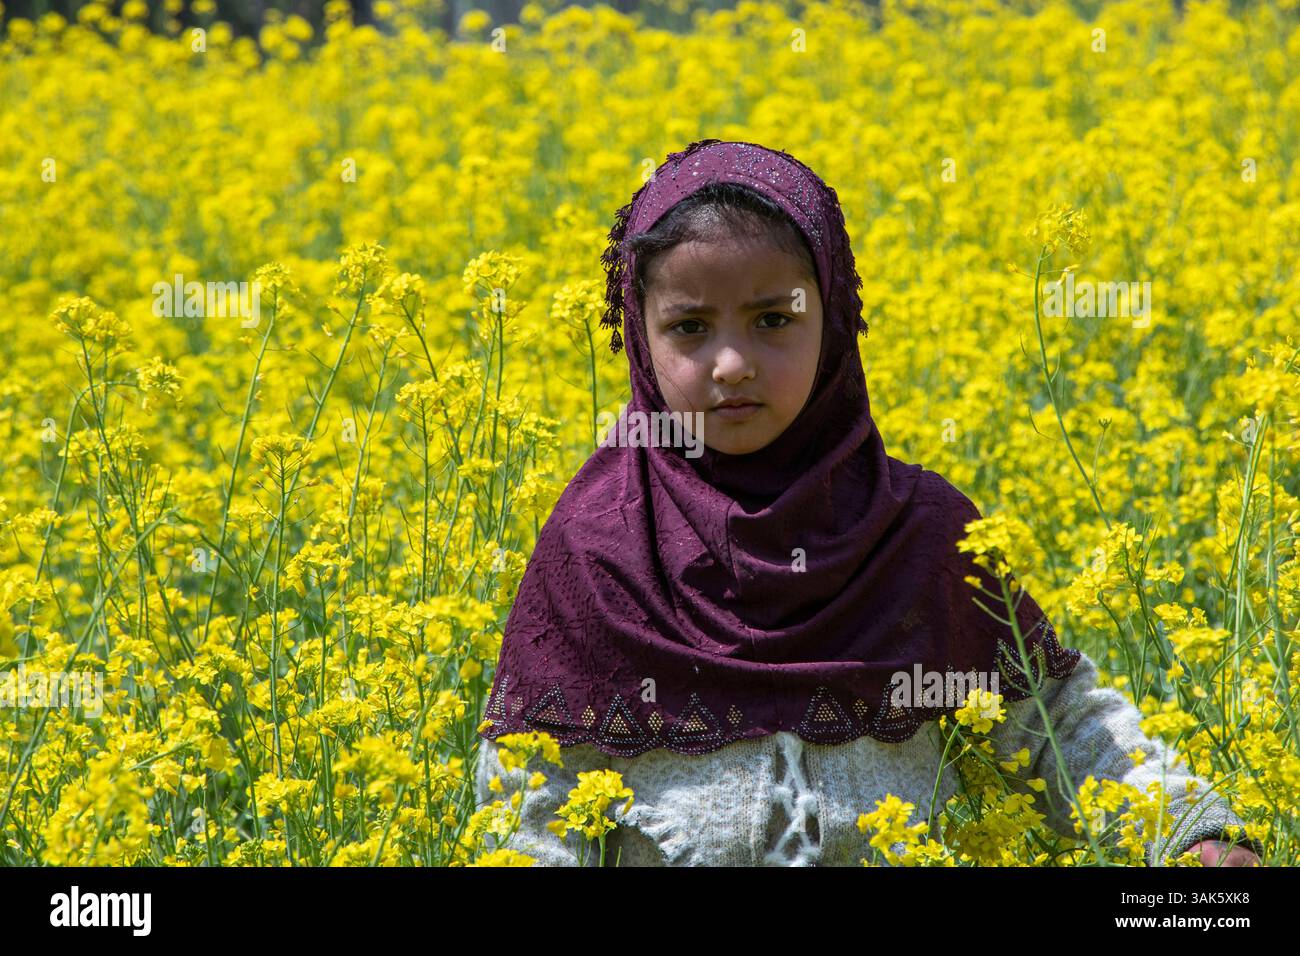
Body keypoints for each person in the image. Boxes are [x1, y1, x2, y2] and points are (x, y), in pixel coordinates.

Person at [473, 139, 1263, 867]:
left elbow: (1053, 720)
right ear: (641, 341)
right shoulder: (600, 546)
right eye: (688, 327)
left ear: (835, 321)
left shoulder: (922, 533)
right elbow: (535, 816)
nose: (732, 364)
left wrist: (1193, 835)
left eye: (774, 319)